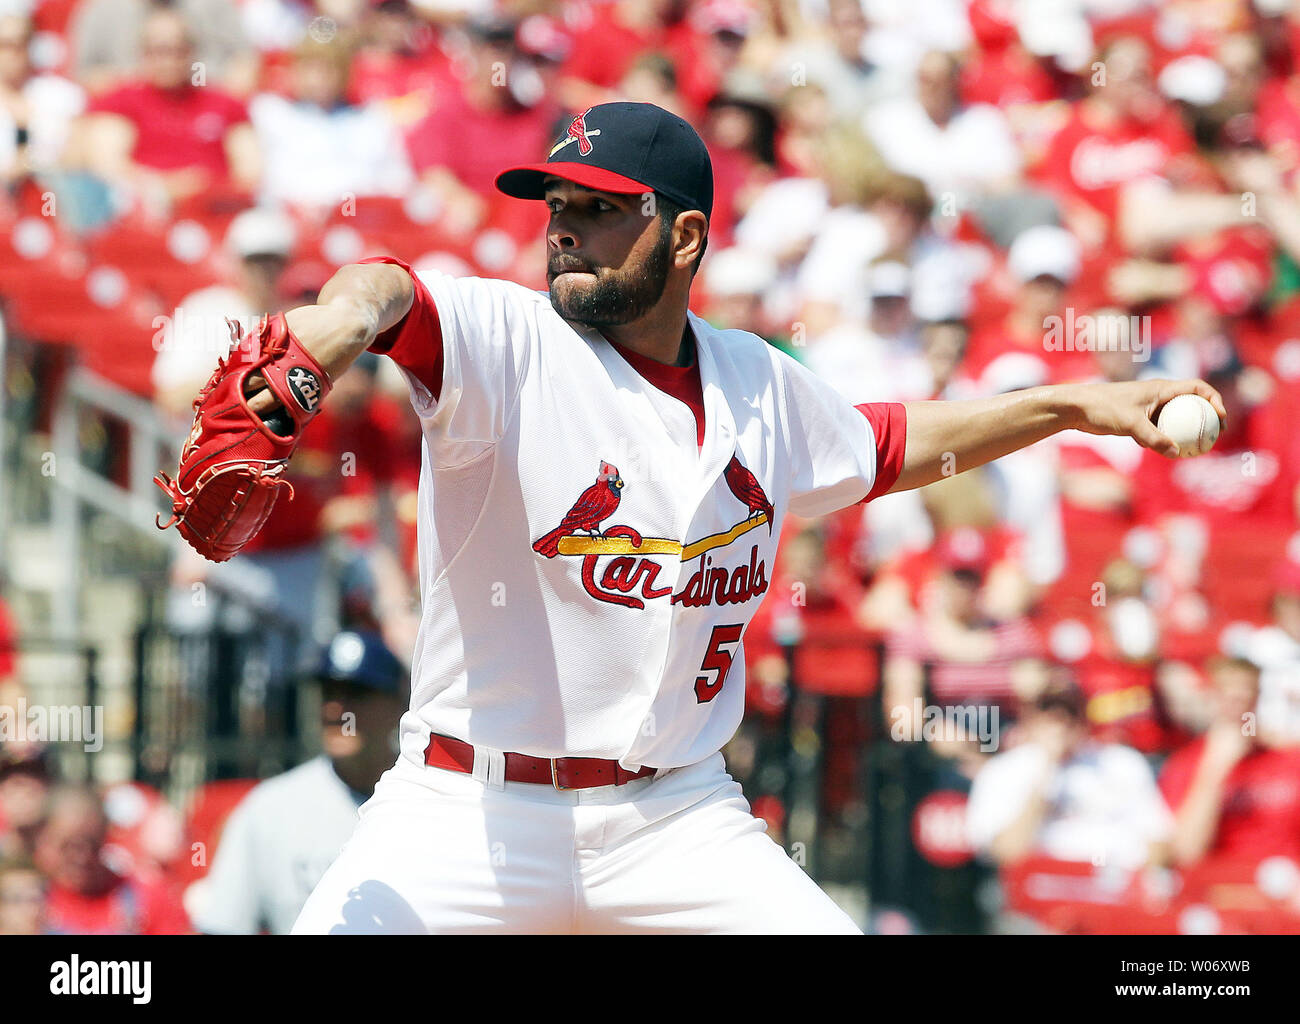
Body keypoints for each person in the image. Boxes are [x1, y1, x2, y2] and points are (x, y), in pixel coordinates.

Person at [184, 100, 1224, 934]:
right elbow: (384, 293)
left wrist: (1077, 405)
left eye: (599, 209)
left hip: (671, 815)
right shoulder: (511, 341)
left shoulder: (758, 384)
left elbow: (899, 443)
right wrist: (327, 334)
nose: (564, 229)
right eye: (555, 204)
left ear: (683, 233)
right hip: (467, 808)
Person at [191, 631, 406, 934]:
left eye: (356, 693)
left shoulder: (433, 803)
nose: (336, 709)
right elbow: (222, 927)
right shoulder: (269, 809)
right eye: (327, 692)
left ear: (398, 701)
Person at [966, 675, 1172, 870]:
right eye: (1048, 712)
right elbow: (1006, 853)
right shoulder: (1002, 772)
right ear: (1029, 717)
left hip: (1112, 882)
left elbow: (1159, 844)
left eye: (1069, 712)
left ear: (1083, 719)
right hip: (1042, 887)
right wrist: (1046, 772)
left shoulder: (1121, 763)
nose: (1060, 722)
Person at [77, 7, 258, 218]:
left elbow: (250, 172)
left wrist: (207, 191)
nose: (169, 60)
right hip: (148, 216)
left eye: (178, 50)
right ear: (143, 53)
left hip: (216, 214)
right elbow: (108, 165)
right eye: (159, 51)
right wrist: (171, 186)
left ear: (192, 52)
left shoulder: (225, 104)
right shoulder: (120, 102)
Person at [1159, 656, 1300, 868]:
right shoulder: (1185, 763)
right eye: (1228, 696)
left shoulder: (1288, 757)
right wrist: (1216, 768)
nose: (1238, 705)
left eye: (1246, 695)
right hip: (1223, 885)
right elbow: (1185, 852)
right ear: (1210, 696)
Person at [34, 785, 190, 935]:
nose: (82, 857)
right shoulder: (25, 902)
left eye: (92, 844)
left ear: (105, 837)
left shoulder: (147, 898)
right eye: (69, 846)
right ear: (44, 840)